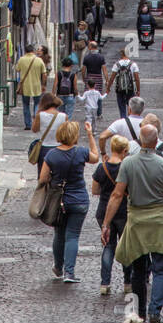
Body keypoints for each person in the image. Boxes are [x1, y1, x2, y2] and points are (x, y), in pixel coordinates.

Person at [103, 124, 163, 323]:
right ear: (156, 140)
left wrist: (106, 223)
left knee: (138, 270)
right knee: (160, 269)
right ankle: (155, 312)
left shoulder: (128, 164)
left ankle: (140, 314)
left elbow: (116, 195)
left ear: (140, 141)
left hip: (137, 223)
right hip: (160, 222)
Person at [40, 120, 99, 283]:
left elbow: (42, 178)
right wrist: (90, 135)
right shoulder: (81, 152)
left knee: (59, 234)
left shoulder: (51, 154)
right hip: (79, 199)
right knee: (72, 236)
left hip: (59, 201)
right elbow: (96, 158)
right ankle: (70, 273)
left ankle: (58, 267)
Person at [92, 135, 134, 296]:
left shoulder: (101, 168)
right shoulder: (127, 168)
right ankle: (127, 282)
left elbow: (95, 190)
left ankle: (105, 282)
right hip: (123, 211)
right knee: (126, 246)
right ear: (124, 151)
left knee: (108, 246)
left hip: (103, 210)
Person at [30, 93, 65, 168]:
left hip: (44, 148)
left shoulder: (40, 115)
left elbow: (34, 129)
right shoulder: (64, 116)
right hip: (59, 148)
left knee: (42, 175)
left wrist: (38, 112)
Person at [16, 48, 46, 128]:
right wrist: (43, 85)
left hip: (25, 87)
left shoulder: (21, 59)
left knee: (26, 105)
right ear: (33, 51)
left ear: (26, 52)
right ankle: (36, 122)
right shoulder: (39, 60)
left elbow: (17, 69)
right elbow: (44, 74)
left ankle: (28, 124)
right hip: (37, 86)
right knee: (37, 104)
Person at [108, 50, 141, 118]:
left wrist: (108, 87)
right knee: (131, 107)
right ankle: (130, 121)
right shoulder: (133, 64)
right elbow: (137, 79)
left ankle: (123, 121)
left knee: (122, 108)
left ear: (121, 54)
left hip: (120, 89)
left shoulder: (117, 64)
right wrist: (138, 90)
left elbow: (112, 78)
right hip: (131, 89)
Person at [80, 40, 107, 113]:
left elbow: (83, 69)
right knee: (99, 95)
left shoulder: (87, 57)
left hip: (89, 76)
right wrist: (107, 79)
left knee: (88, 95)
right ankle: (99, 112)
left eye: (89, 46)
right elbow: (104, 69)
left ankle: (88, 111)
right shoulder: (101, 57)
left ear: (91, 47)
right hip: (98, 77)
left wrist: (83, 77)